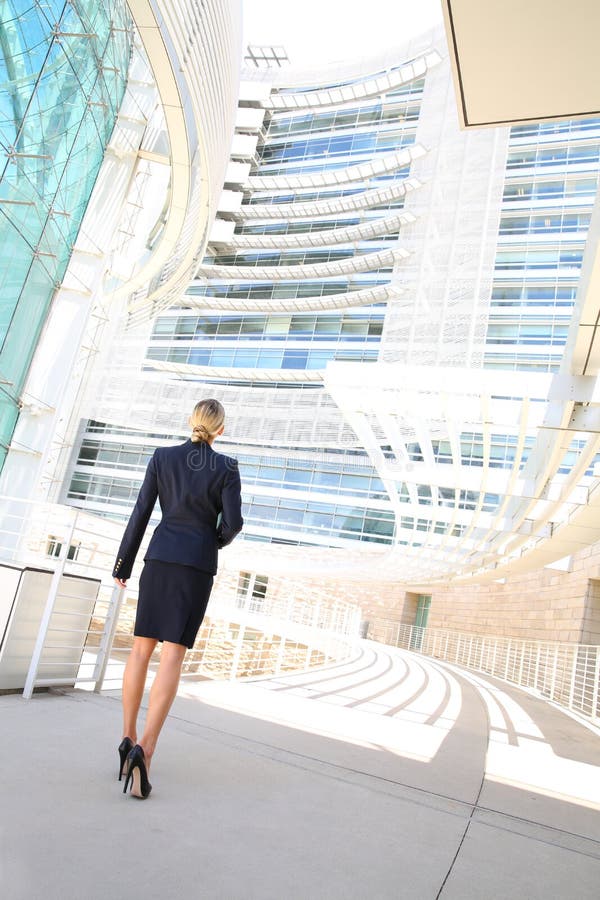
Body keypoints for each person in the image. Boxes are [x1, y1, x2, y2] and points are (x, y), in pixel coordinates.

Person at [112, 399, 243, 799]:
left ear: (192, 424)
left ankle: (127, 738)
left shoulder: (162, 457)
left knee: (139, 651)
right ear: (220, 430)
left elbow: (140, 512)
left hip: (159, 558)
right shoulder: (227, 468)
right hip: (195, 566)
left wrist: (123, 565)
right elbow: (234, 522)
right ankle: (145, 751)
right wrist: (211, 541)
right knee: (172, 655)